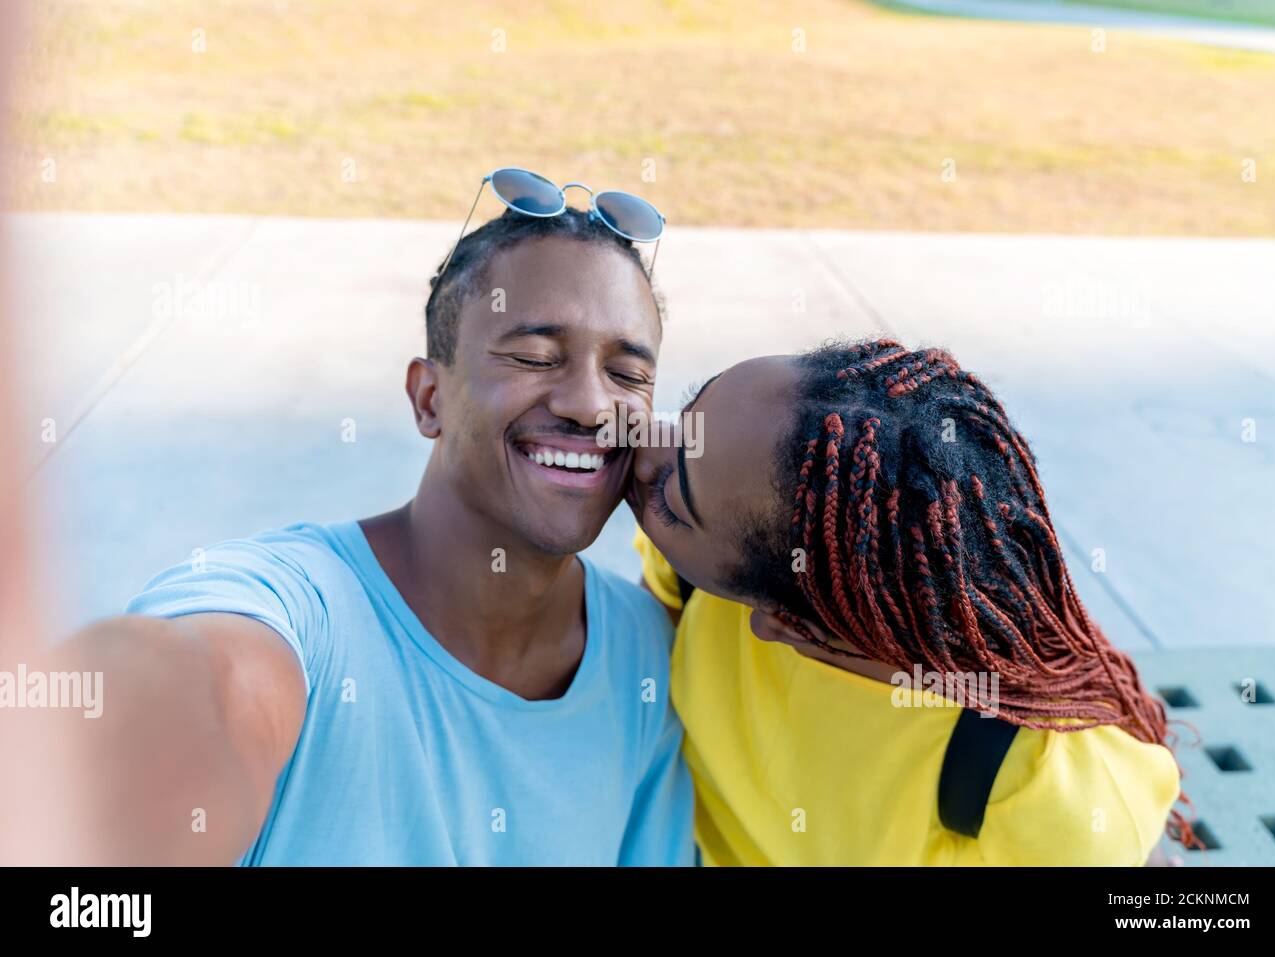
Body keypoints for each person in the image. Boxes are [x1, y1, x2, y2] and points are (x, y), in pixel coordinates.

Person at [45, 205, 694, 865]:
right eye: (534, 357)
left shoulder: (641, 648)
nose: (590, 405)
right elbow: (207, 690)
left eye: (628, 374)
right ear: (429, 398)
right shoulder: (295, 611)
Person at [629, 338, 1192, 865]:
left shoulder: (1036, 783)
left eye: (673, 498)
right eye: (686, 420)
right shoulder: (705, 561)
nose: (646, 447)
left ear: (791, 626)